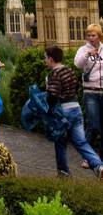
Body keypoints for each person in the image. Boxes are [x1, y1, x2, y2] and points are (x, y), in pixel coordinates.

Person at [44, 44, 103, 178]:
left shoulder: (54, 74)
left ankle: (63, 173)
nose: (45, 61)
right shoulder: (69, 70)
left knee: (60, 142)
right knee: (81, 142)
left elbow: (53, 95)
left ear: (51, 59)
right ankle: (99, 166)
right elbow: (75, 87)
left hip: (63, 111)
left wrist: (48, 108)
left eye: (46, 58)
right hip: (76, 109)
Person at [74, 23, 103, 157]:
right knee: (93, 125)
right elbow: (78, 64)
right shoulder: (83, 49)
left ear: (99, 36)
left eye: (93, 35)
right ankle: (88, 156)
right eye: (89, 35)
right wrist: (87, 54)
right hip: (90, 92)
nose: (91, 38)